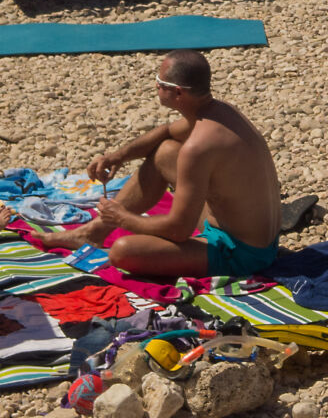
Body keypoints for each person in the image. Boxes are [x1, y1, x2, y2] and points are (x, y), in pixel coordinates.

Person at [37, 52, 282, 279]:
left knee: (123, 251)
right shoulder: (219, 113)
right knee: (165, 152)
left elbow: (179, 230)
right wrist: (117, 157)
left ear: (178, 93)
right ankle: (91, 233)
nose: (155, 87)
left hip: (242, 252)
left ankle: (100, 232)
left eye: (159, 83)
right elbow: (166, 131)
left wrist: (121, 218)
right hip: (241, 229)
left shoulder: (197, 147)